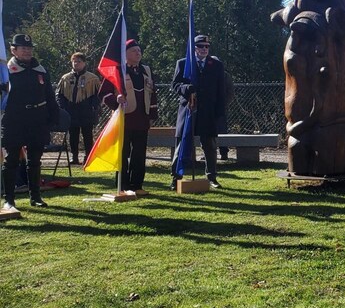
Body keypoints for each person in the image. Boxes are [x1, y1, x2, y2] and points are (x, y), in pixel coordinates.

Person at [2, 34, 60, 210]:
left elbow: (49, 95)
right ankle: (9, 199)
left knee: (34, 160)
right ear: (14, 50)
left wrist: (53, 117)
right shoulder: (6, 71)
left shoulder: (40, 69)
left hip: (37, 119)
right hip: (14, 119)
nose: (27, 51)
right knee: (11, 160)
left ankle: (35, 196)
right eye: (23, 48)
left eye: (29, 48)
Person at [99, 39, 159, 193]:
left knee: (139, 154)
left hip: (142, 119)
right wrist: (115, 100)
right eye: (134, 51)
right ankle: (123, 185)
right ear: (125, 54)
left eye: (139, 50)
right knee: (123, 153)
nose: (138, 53)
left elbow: (152, 94)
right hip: (124, 120)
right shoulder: (117, 70)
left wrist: (152, 114)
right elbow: (104, 93)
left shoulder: (146, 70)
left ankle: (137, 185)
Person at [171, 34, 227, 189]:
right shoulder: (183, 64)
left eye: (207, 47)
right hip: (189, 110)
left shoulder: (216, 65)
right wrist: (186, 89)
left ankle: (212, 178)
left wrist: (220, 112)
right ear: (193, 48)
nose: (204, 49)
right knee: (182, 145)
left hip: (208, 112)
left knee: (210, 146)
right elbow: (175, 84)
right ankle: (176, 178)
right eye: (200, 46)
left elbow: (221, 90)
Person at [56, 52, 102, 165]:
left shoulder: (92, 78)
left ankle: (88, 156)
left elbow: (99, 94)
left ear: (84, 63)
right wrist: (63, 107)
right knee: (73, 135)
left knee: (87, 134)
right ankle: (74, 156)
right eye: (74, 61)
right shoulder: (65, 78)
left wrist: (93, 105)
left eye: (79, 61)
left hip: (86, 110)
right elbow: (59, 94)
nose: (76, 63)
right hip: (71, 110)